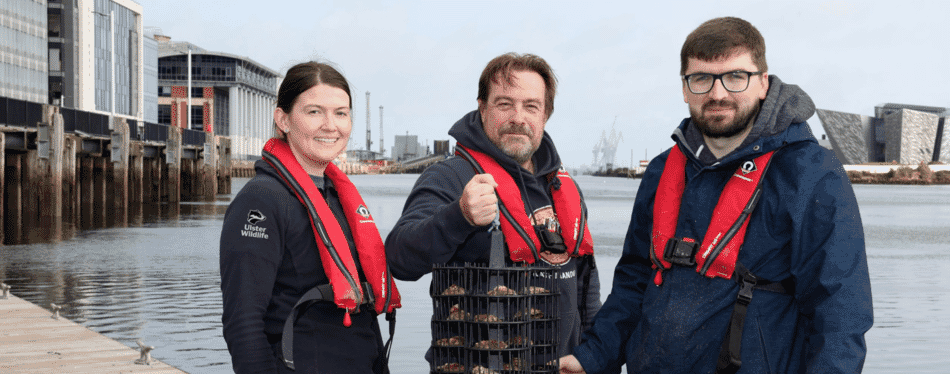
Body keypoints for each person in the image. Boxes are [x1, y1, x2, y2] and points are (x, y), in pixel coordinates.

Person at [560, 17, 873, 374]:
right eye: (702, 78)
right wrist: (592, 358)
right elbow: (634, 282)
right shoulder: (663, 171)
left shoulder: (812, 174)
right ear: (684, 88)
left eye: (735, 76)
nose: (718, 93)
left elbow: (840, 314)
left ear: (763, 84)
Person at [385, 53, 602, 364]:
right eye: (504, 104)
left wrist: (593, 357)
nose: (518, 117)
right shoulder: (451, 176)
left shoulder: (563, 186)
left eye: (531, 106)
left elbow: (586, 285)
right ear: (482, 108)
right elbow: (399, 258)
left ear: (546, 114)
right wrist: (458, 216)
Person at [220, 61, 401, 374]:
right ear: (283, 119)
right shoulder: (261, 200)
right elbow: (243, 322)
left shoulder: (338, 197)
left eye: (341, 113)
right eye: (315, 111)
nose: (330, 125)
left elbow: (363, 311)